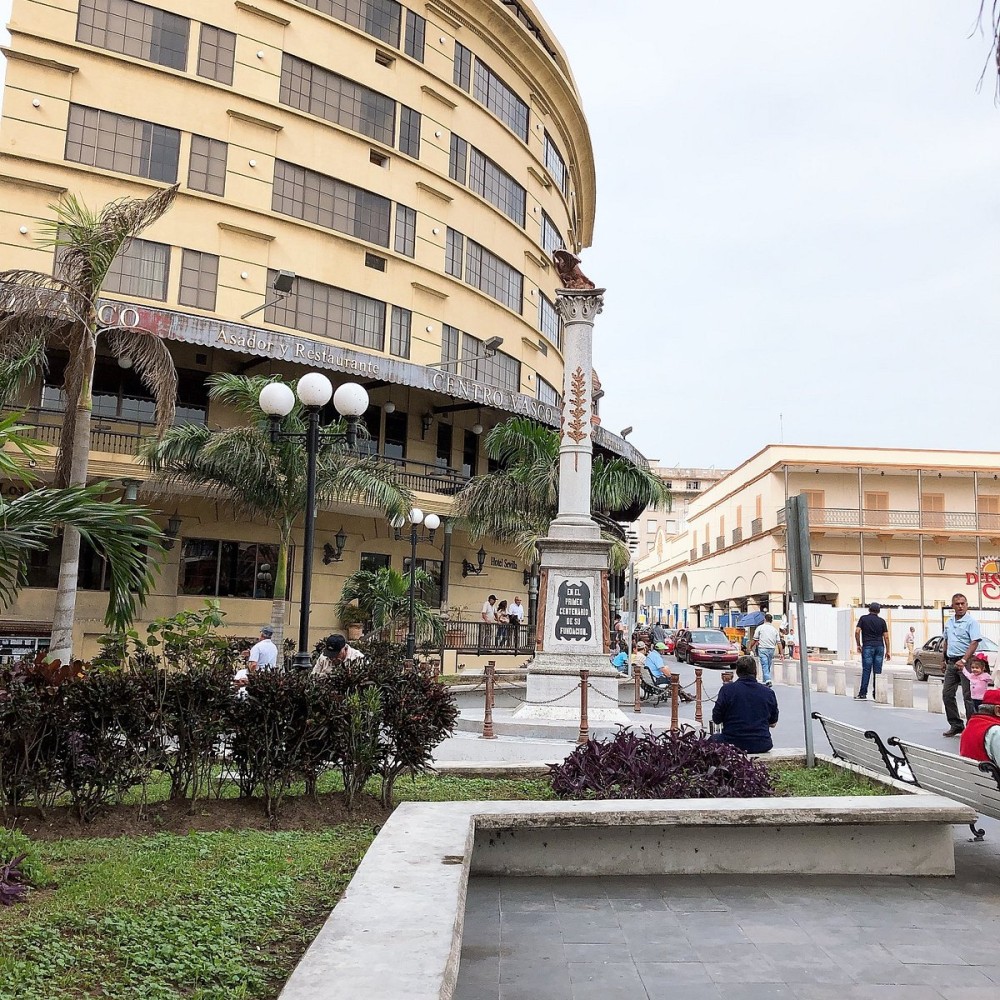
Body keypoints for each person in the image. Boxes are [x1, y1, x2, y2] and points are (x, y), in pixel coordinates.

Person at [710, 655, 779, 754]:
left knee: (711, 740)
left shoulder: (727, 690)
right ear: (755, 671)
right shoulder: (768, 692)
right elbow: (773, 723)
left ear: (737, 672)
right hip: (762, 743)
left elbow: (716, 719)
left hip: (732, 742)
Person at [942, 593, 982, 737]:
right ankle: (956, 724)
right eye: (957, 604)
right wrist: (943, 659)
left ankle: (972, 728)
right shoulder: (949, 622)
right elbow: (945, 640)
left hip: (967, 663)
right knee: (947, 694)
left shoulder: (971, 622)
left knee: (968, 696)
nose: (960, 606)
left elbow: (975, 642)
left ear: (967, 605)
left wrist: (964, 660)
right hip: (952, 662)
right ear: (952, 606)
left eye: (962, 603)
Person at [854, 602, 890, 700]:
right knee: (877, 671)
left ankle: (862, 693)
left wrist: (858, 644)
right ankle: (877, 693)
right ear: (878, 611)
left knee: (866, 670)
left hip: (867, 646)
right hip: (879, 647)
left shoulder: (863, 619)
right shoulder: (882, 621)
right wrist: (888, 650)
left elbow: (857, 631)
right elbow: (886, 637)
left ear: (869, 609)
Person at [958, 688, 1000, 765]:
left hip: (970, 775)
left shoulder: (971, 724)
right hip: (988, 776)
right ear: (998, 711)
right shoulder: (996, 731)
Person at [750, 613, 783, 687]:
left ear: (764, 619)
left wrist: (750, 647)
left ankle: (768, 680)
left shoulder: (760, 628)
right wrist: (781, 653)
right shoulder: (774, 630)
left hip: (762, 648)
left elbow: (755, 639)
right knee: (768, 665)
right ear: (771, 620)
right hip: (771, 649)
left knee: (765, 665)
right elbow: (779, 642)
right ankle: (766, 680)